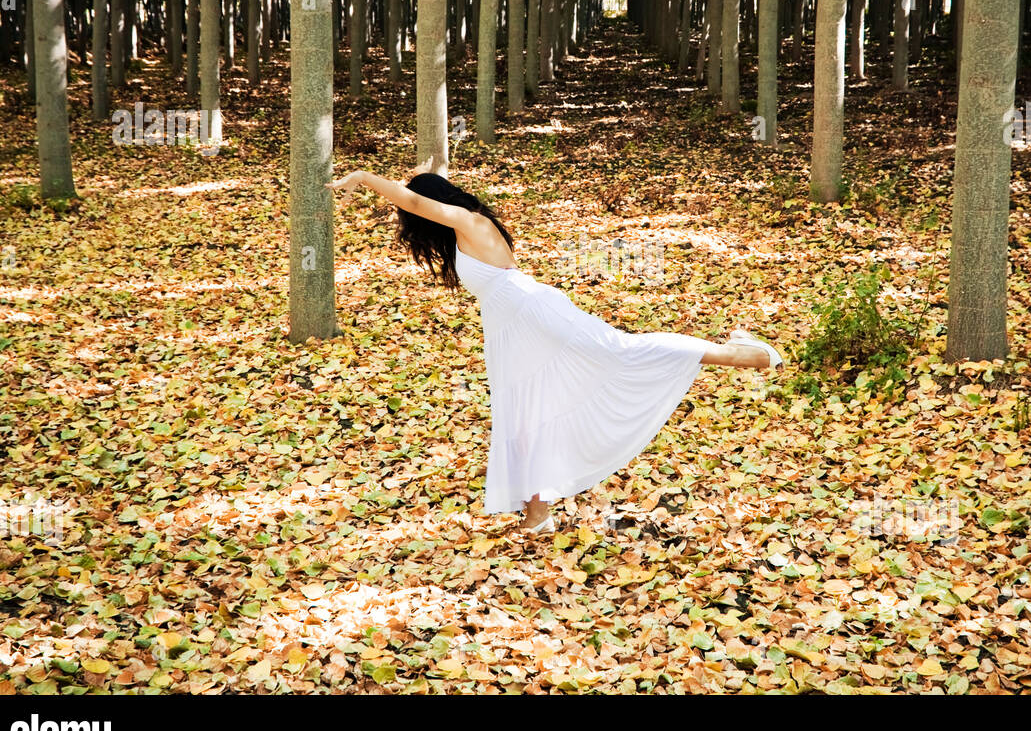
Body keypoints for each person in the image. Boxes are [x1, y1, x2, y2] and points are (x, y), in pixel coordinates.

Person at [327, 163, 784, 533]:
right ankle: (537, 512)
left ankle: (743, 354)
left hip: (533, 314)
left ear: (437, 204)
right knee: (525, 410)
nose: (418, 217)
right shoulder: (463, 223)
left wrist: (364, 179)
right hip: (513, 326)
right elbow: (423, 187)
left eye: (426, 205)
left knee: (622, 349)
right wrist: (426, 169)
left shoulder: (468, 221)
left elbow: (410, 199)